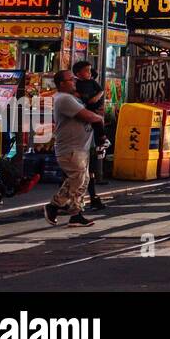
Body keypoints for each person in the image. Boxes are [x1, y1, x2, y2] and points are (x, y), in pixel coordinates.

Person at [44, 70, 102, 227]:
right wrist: (99, 118)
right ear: (62, 83)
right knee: (77, 179)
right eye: (71, 79)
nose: (75, 81)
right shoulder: (63, 99)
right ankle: (54, 205)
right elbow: (88, 116)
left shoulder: (71, 98)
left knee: (83, 181)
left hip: (80, 147)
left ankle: (76, 214)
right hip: (70, 148)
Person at [72, 61, 109, 212]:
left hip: (89, 136)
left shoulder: (92, 84)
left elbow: (98, 96)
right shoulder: (68, 98)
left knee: (89, 170)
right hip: (76, 140)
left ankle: (91, 199)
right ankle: (68, 205)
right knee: (77, 174)